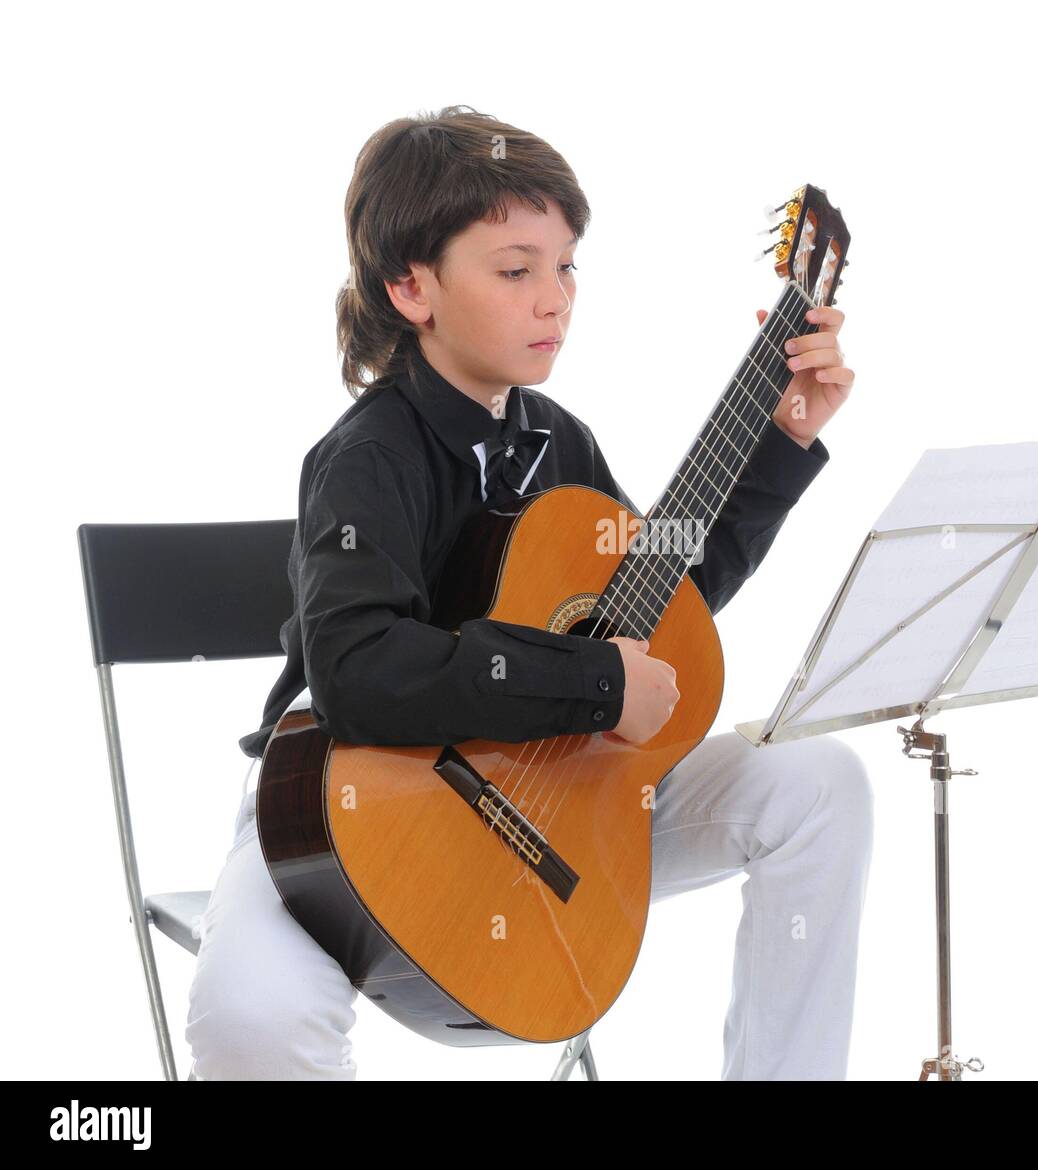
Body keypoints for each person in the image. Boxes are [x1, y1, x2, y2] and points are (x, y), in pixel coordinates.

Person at [186, 105, 873, 1081]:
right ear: (409, 286)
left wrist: (783, 440)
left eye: (566, 266)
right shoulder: (366, 459)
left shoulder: (558, 442)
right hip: (351, 806)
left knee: (817, 784)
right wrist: (594, 681)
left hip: (554, 795)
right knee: (250, 1017)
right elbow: (359, 670)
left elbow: (659, 596)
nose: (554, 300)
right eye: (515, 270)